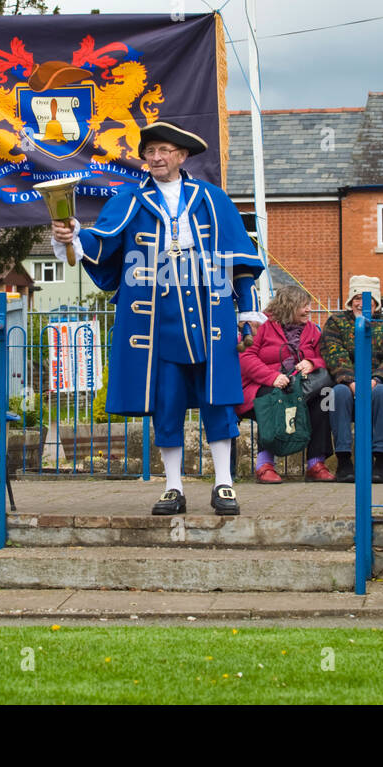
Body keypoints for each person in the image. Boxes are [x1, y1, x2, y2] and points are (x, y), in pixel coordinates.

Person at [51, 121, 265, 516]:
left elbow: (241, 263)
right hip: (154, 317)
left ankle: (224, 483)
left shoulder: (213, 199)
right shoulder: (130, 199)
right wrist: (73, 236)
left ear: (181, 157)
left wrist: (248, 310)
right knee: (165, 401)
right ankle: (173, 487)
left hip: (209, 308)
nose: (156, 158)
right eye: (150, 151)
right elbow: (103, 241)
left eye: (164, 150)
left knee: (217, 400)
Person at [237, 285, 336, 483]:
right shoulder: (262, 325)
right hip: (264, 385)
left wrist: (311, 362)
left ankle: (316, 463)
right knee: (273, 397)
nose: (309, 310)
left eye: (309, 305)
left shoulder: (311, 330)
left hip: (300, 387)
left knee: (325, 398)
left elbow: (325, 358)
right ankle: (264, 464)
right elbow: (246, 357)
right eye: (303, 306)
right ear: (288, 306)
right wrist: (272, 377)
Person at [321, 274, 383, 483]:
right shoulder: (336, 323)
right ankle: (344, 461)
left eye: (367, 299)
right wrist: (351, 382)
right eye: (356, 298)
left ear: (376, 303)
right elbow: (334, 354)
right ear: (350, 301)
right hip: (347, 383)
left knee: (382, 393)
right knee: (338, 394)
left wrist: (375, 380)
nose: (361, 304)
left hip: (377, 384)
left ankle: (381, 461)